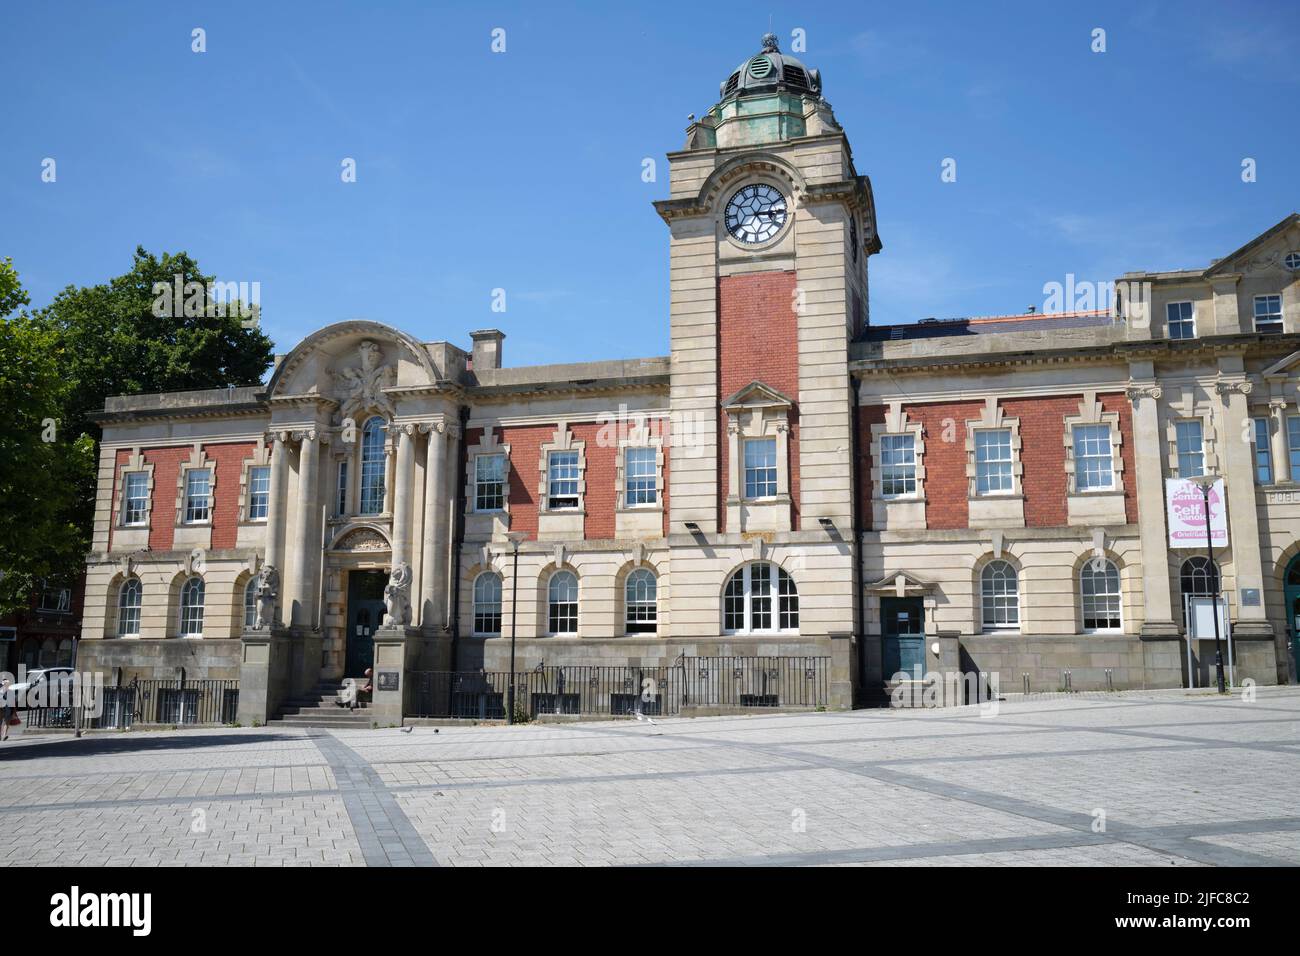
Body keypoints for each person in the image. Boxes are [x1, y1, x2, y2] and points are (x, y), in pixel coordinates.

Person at [1, 676, 13, 741]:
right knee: (5, 722)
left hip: (6, 708)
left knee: (4, 722)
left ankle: (3, 735)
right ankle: (3, 735)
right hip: (6, 708)